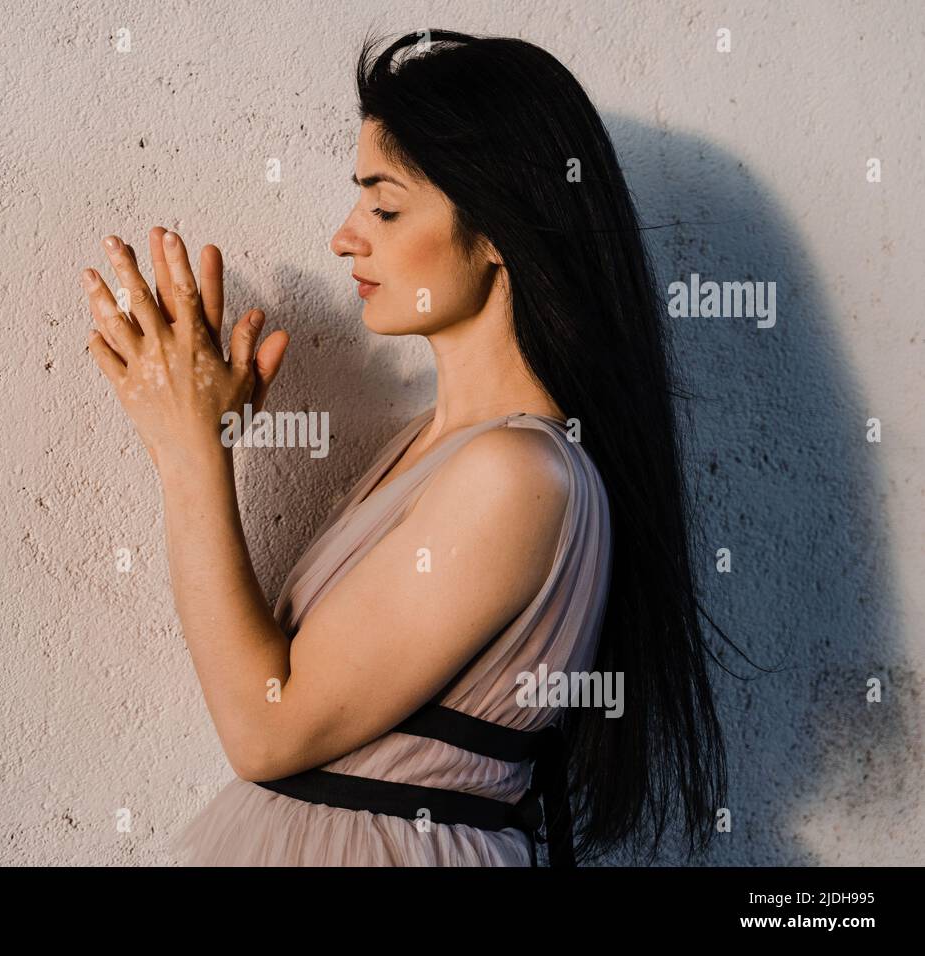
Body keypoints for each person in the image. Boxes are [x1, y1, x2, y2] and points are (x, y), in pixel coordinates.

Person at [82, 29, 732, 866]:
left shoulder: (518, 474)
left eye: (385, 207)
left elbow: (266, 727)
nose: (346, 238)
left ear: (501, 229)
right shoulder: (430, 450)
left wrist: (189, 451)